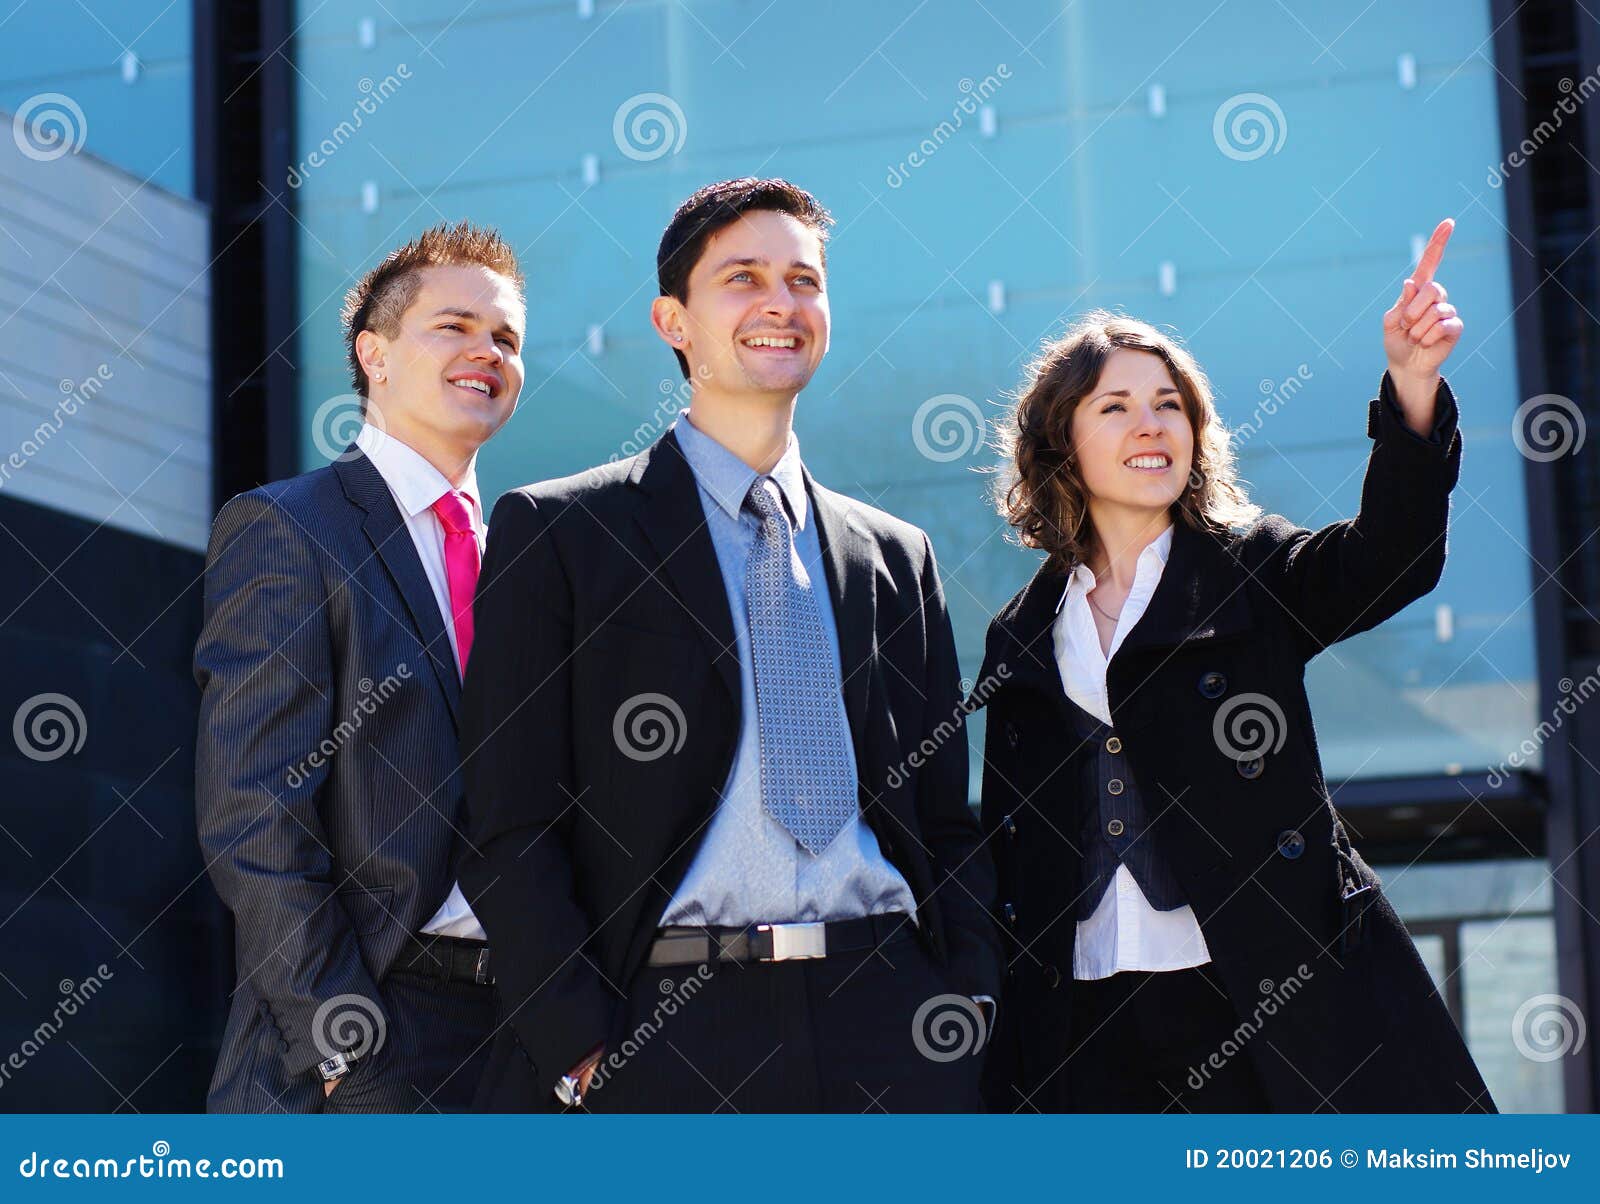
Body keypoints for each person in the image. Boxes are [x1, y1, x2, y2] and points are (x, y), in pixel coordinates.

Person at [459, 177, 1001, 1113]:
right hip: (667, 1026)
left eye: (803, 279)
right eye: (742, 278)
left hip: (888, 1010)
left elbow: (946, 822)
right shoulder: (561, 532)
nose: (780, 304)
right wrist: (578, 1042)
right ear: (675, 320)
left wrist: (963, 1001)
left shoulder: (894, 556)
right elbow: (508, 821)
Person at [973, 220, 1495, 1113]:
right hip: (1081, 1009)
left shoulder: (1250, 572)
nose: (1150, 424)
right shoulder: (1021, 632)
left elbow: (1391, 559)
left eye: (1169, 403)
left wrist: (1413, 385)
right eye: (1115, 406)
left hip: (1261, 991)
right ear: (1063, 444)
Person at [195, 221, 525, 1112]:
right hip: (370, 1038)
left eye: (505, 338)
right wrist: (345, 1049)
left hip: (521, 1043)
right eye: (453, 326)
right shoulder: (291, 527)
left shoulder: (525, 566)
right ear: (374, 355)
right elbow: (251, 811)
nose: (485, 351)